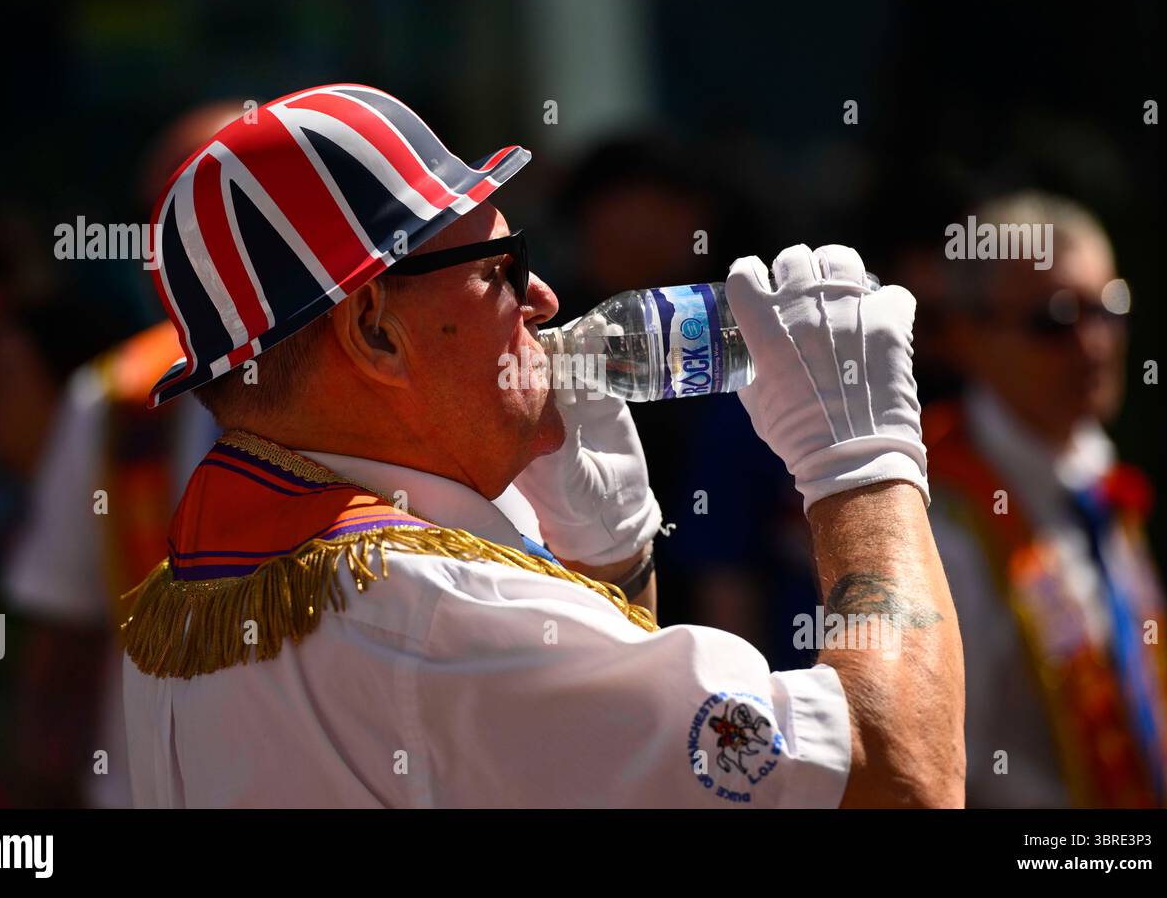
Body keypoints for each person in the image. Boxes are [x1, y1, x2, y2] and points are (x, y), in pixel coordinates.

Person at [121, 83, 964, 807]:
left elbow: (577, 766)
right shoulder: (433, 611)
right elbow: (899, 779)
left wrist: (607, 566)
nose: (546, 298)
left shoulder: (197, 587)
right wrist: (861, 463)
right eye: (500, 269)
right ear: (375, 330)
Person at [0, 103, 241, 806]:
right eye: (162, 217)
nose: (182, 240)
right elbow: (63, 641)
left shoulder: (382, 380)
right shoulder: (114, 402)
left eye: (221, 203)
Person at [928, 190, 1167, 807]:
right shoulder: (936, 520)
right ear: (969, 335)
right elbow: (948, 768)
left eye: (1111, 309)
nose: (1095, 342)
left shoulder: (1095, 477)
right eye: (1054, 320)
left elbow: (1151, 724)